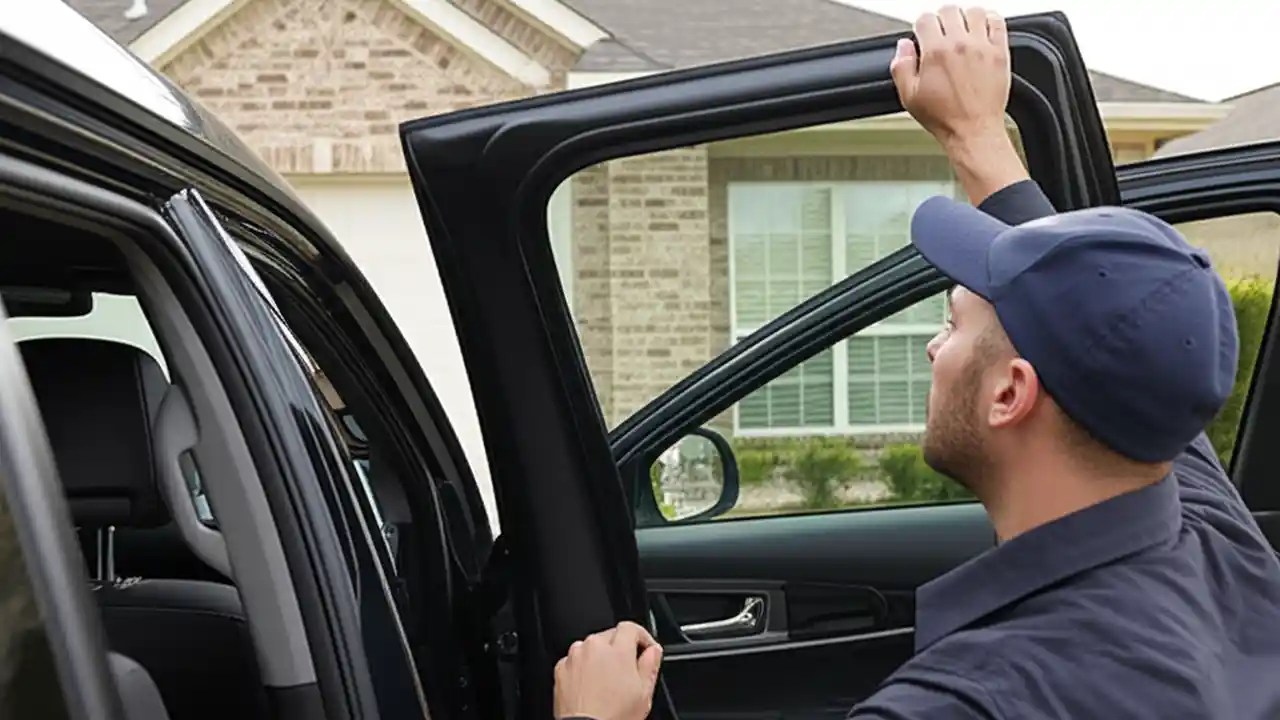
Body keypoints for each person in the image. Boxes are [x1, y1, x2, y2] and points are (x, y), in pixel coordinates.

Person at [551, 6, 1280, 719]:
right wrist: (977, 133)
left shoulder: (967, 699)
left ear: (1010, 394)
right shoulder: (1226, 555)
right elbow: (1106, 320)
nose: (933, 348)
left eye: (952, 324)